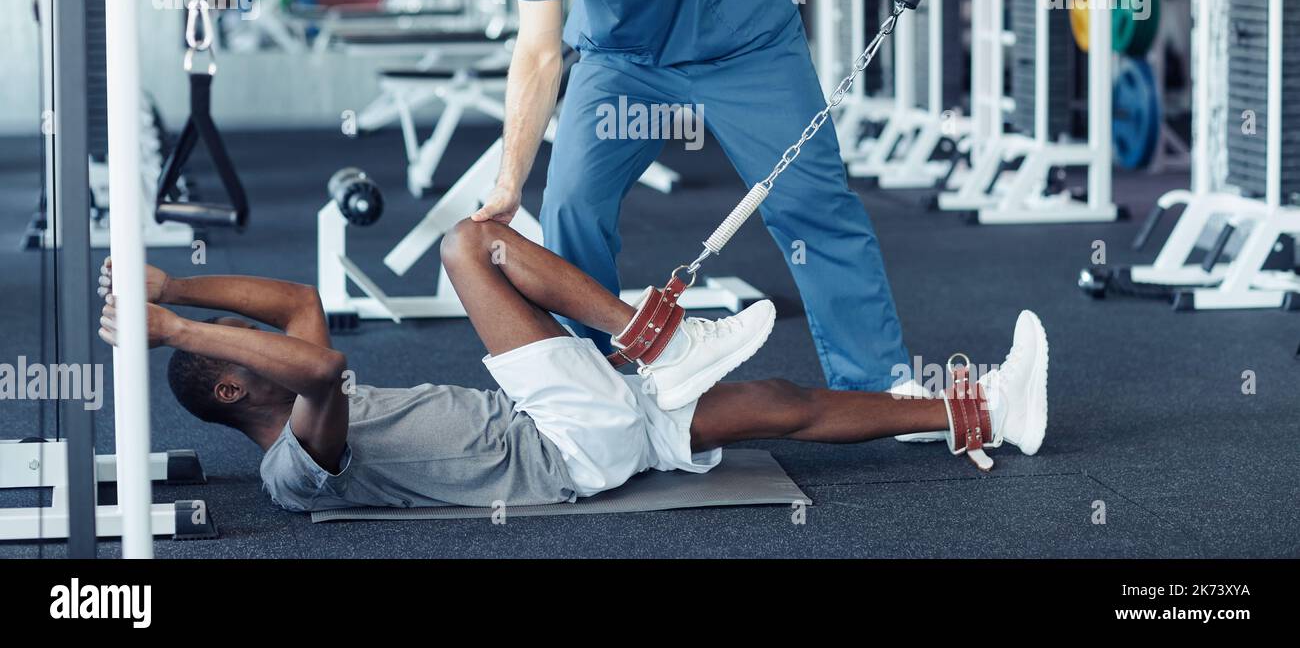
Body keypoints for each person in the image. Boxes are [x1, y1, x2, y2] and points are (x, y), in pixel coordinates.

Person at [480, 0, 954, 402]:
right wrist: (510, 182)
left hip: (747, 47)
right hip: (626, 61)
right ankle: (593, 393)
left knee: (814, 207)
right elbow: (538, 52)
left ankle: (879, 393)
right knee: (571, 209)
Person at [96, 220, 1049, 512]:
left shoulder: (288, 393)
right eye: (224, 356)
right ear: (230, 389)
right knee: (470, 248)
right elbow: (318, 362)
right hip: (559, 449)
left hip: (585, 425)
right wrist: (177, 334)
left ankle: (990, 412)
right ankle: (660, 338)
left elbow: (301, 313)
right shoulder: (290, 472)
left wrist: (178, 287)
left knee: (778, 402)